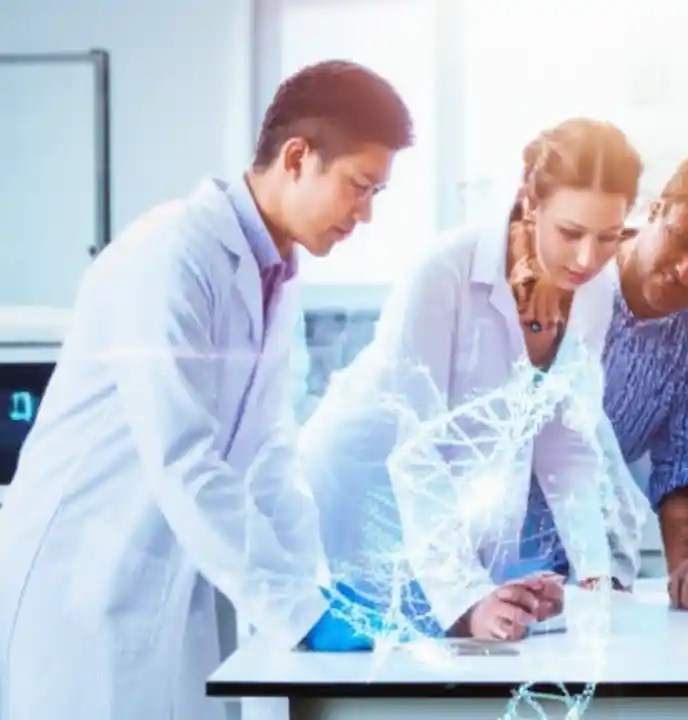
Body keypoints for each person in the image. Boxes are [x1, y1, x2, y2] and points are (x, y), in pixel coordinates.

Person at [0, 60, 414, 720]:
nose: (364, 214)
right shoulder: (173, 253)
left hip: (168, 586)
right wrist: (298, 609)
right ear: (297, 157)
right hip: (81, 588)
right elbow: (183, 456)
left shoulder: (275, 271)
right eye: (358, 187)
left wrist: (312, 589)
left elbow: (268, 453)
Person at [299, 117, 645, 643]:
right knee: (373, 669)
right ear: (530, 201)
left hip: (444, 514)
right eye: (570, 233)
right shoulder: (444, 272)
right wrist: (464, 597)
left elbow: (565, 437)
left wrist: (595, 573)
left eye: (608, 237)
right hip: (364, 496)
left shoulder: (593, 290)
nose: (587, 258)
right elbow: (415, 448)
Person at [518, 151, 688, 610]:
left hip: (577, 560)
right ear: (655, 209)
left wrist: (687, 573)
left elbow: (687, 467)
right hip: (482, 533)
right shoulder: (568, 272)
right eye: (682, 240)